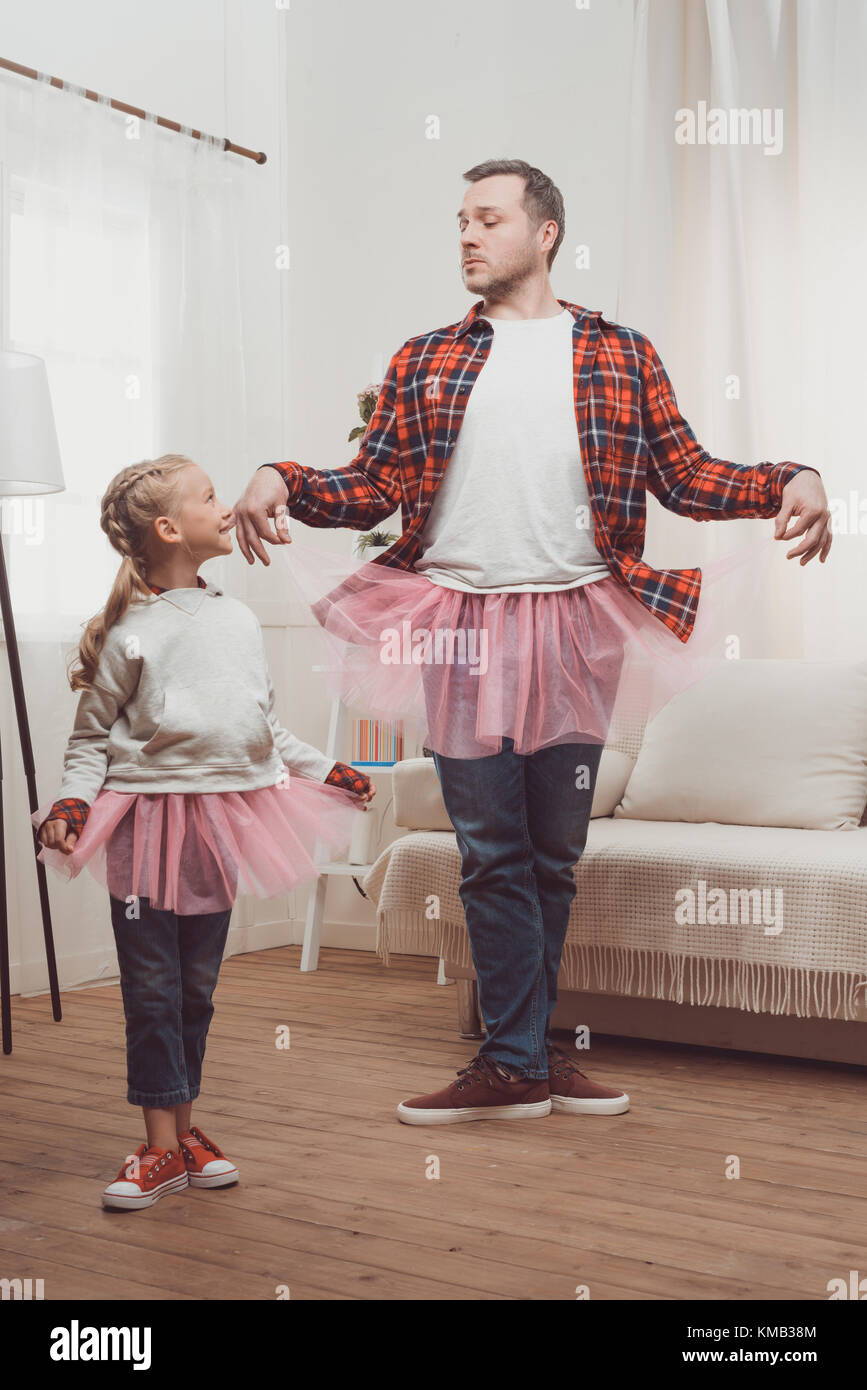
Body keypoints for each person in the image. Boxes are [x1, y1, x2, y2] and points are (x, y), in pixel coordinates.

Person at [231, 159, 832, 1127]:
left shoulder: (618, 354)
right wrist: (277, 474)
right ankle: (514, 1059)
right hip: (462, 627)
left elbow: (685, 473)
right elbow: (371, 482)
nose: (467, 236)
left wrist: (790, 478)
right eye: (460, 221)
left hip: (579, 625)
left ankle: (531, 1056)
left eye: (488, 218)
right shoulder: (426, 358)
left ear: (544, 232)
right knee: (491, 849)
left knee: (554, 853)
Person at [33, 454, 374, 1207]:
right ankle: (156, 1147)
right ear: (167, 528)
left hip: (226, 819)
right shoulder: (128, 632)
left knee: (196, 988)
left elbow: (261, 726)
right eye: (211, 497)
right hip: (145, 823)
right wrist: (70, 806)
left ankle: (184, 1136)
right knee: (152, 988)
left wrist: (326, 770)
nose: (226, 507)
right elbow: (91, 741)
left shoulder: (238, 618)